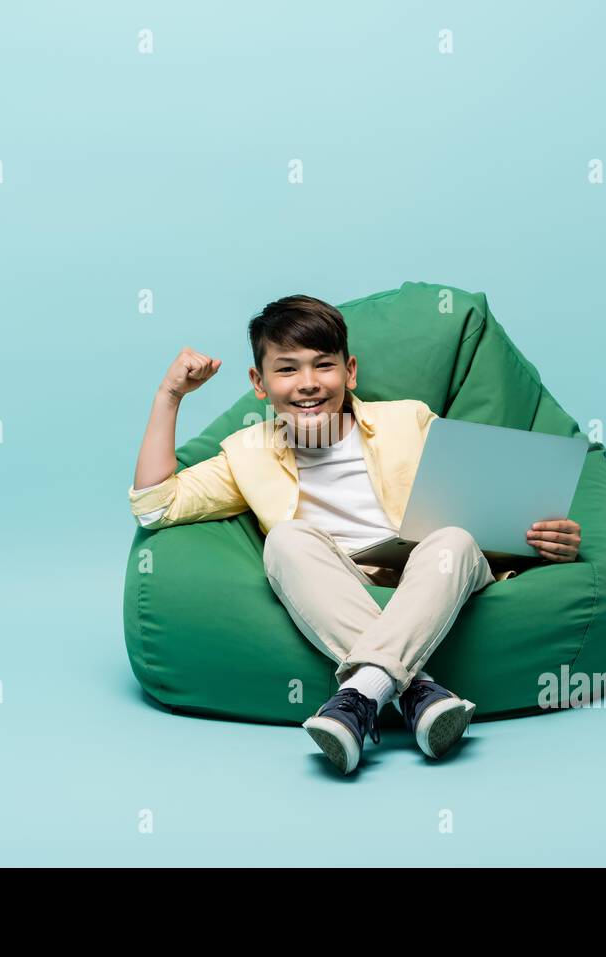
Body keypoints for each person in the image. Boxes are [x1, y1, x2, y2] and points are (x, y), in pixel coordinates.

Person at [128, 295, 582, 774]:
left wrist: (547, 539)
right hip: (342, 583)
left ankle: (356, 702)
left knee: (454, 541)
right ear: (258, 384)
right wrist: (169, 396)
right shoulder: (247, 453)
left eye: (324, 366)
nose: (307, 384)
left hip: (432, 572)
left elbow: (483, 501)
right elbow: (156, 506)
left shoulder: (408, 419)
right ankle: (420, 696)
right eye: (287, 370)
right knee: (285, 540)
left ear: (351, 372)